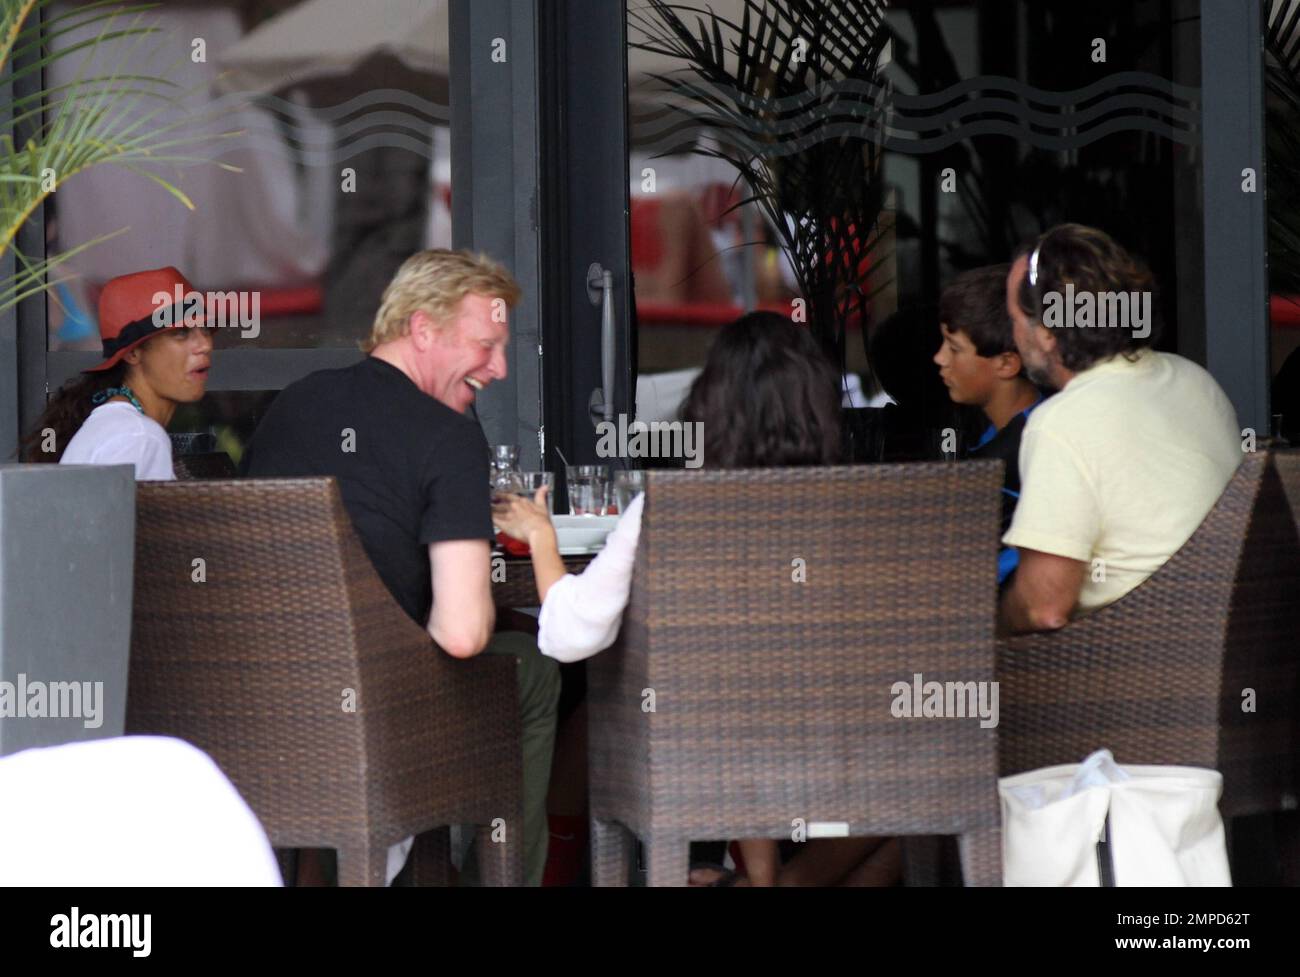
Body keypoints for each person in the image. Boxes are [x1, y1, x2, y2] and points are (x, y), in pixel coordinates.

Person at [492, 311, 900, 886]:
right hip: (860, 739)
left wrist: (540, 537)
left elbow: (569, 636)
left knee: (626, 707)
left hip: (708, 748)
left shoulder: (671, 507)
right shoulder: (876, 511)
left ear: (711, 403)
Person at [241, 249, 559, 885]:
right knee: (534, 668)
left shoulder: (294, 404)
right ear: (422, 330)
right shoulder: (447, 435)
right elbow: (462, 636)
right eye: (485, 346)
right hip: (375, 710)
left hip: (256, 704)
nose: (497, 370)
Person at [999, 223, 1241, 633]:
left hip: (1129, 667)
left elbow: (1044, 608)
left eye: (1015, 320)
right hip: (1228, 649)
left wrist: (990, 629)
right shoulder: (1195, 380)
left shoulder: (1062, 421)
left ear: (1046, 332)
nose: (1013, 335)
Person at [22, 267, 213, 478]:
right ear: (133, 354)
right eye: (181, 333)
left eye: (205, 329)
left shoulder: (121, 426)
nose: (204, 344)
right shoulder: (140, 437)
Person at [933, 264, 1043, 585]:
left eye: (954, 348)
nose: (939, 358)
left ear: (1007, 363)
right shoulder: (1014, 424)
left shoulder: (1011, 460)